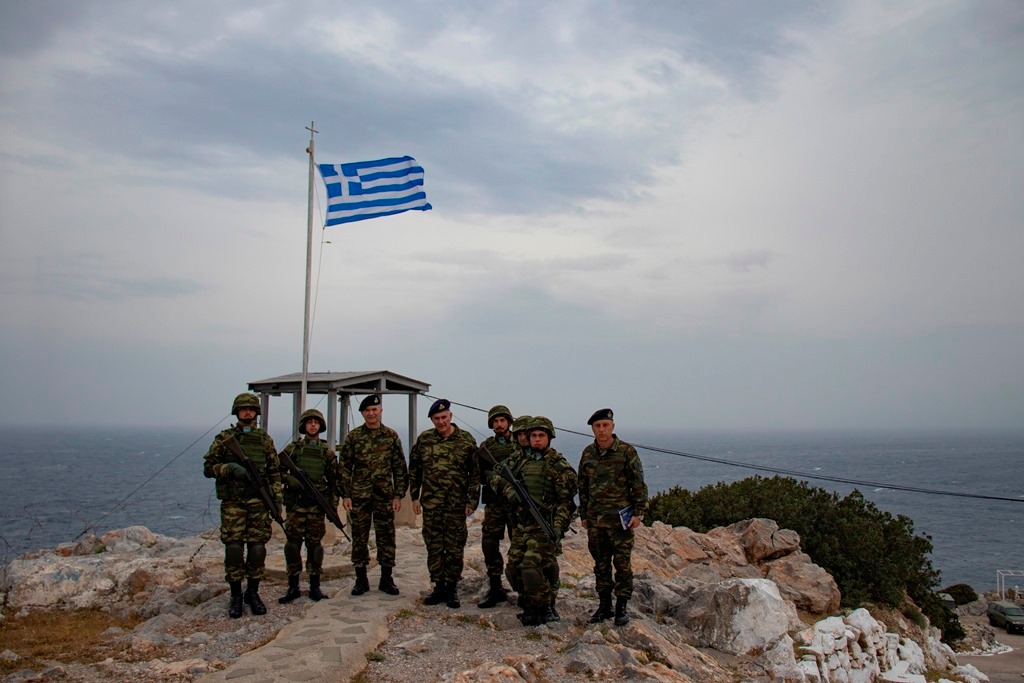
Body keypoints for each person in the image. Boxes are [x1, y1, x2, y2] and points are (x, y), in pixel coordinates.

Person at [490, 416, 577, 626]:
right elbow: (495, 476)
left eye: (541, 436)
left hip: (544, 526)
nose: (537, 440)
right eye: (534, 436)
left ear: (549, 438)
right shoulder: (521, 461)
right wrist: (509, 489)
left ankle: (545, 607)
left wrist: (557, 528)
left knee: (530, 567)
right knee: (513, 569)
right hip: (523, 525)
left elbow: (566, 503)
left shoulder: (558, 466)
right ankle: (530, 605)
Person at [203, 393, 282, 618]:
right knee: (235, 548)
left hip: (258, 503)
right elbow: (208, 467)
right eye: (243, 409)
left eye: (251, 409)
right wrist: (228, 469)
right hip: (233, 503)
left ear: (256, 413)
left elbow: (274, 472)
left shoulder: (264, 440)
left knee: (257, 549)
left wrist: (275, 501)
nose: (247, 413)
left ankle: (253, 593)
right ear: (237, 412)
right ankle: (236, 595)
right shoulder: (225, 438)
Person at [577, 408, 648, 626]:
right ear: (592, 429)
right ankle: (604, 605)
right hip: (597, 521)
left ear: (612, 427)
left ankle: (622, 606)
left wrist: (638, 513)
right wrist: (584, 514)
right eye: (597, 426)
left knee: (622, 565)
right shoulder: (588, 454)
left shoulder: (626, 452)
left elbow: (638, 483)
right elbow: (583, 486)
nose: (602, 430)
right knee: (600, 565)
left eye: (605, 425)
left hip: (620, 521)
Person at [409, 398, 479, 608]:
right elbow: (415, 469)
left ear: (450, 416)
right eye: (436, 418)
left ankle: (452, 588)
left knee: (455, 545)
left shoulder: (466, 440)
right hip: (431, 503)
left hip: (456, 504)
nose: (441, 422)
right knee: (434, 544)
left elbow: (475, 475)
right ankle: (438, 586)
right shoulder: (424, 439)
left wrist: (472, 502)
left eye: (444, 417)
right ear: (432, 419)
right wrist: (414, 497)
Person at [338, 394, 409, 596]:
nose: (371, 413)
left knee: (386, 536)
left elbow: (399, 467)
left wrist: (398, 495)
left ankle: (386, 579)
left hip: (384, 496)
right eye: (367, 410)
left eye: (374, 410)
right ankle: (361, 580)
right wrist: (346, 494)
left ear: (380, 411)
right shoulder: (354, 437)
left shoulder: (391, 436)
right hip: (359, 496)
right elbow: (344, 468)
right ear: (362, 413)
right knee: (359, 537)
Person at [277, 408, 338, 604]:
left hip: (315, 507)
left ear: (321, 426)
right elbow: (276, 470)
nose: (313, 425)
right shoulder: (293, 449)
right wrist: (290, 479)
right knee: (293, 545)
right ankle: (293, 586)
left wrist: (332, 506)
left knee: (315, 546)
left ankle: (315, 586)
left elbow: (334, 481)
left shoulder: (327, 452)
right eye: (309, 422)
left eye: (316, 422)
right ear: (304, 426)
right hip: (296, 505)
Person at [476, 404, 516, 608]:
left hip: (516, 504)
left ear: (509, 422)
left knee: (519, 544)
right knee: (490, 543)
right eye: (495, 421)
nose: (499, 424)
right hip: (495, 503)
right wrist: (495, 479)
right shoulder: (487, 446)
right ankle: (495, 585)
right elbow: (480, 473)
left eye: (502, 420)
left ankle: (522, 587)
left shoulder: (520, 444)